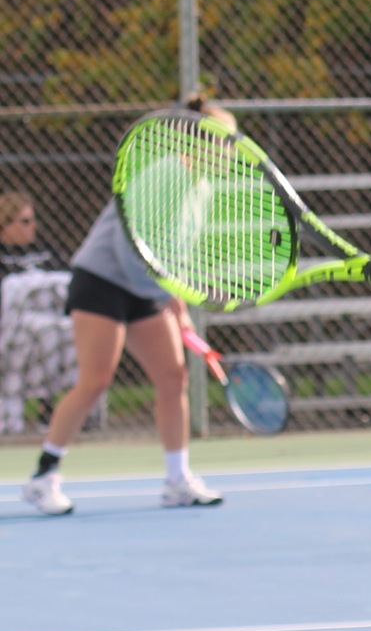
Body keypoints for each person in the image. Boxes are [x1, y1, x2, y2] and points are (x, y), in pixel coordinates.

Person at [19, 101, 229, 515]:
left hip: (144, 287)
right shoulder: (165, 174)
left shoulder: (202, 188)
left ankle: (177, 481)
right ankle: (43, 477)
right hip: (102, 280)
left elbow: (174, 255)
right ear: (198, 143)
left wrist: (180, 309)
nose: (231, 151)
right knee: (95, 381)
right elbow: (130, 248)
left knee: (173, 378)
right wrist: (177, 292)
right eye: (224, 142)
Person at [0, 192, 56, 274]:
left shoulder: (45, 248)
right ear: (5, 224)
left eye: (33, 220)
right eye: (26, 221)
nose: (34, 226)